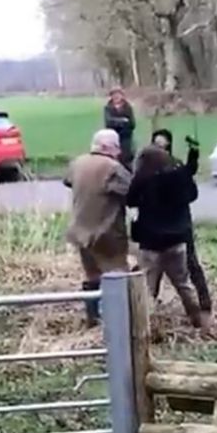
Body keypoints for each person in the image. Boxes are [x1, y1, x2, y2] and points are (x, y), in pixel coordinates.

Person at [127, 138, 207, 330]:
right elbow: (192, 194)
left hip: (151, 241)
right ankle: (198, 319)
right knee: (183, 284)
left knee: (148, 287)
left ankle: (143, 325)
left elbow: (130, 200)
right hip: (177, 239)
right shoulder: (178, 175)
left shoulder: (142, 178)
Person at [64, 129, 133, 327]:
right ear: (106, 147)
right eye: (116, 147)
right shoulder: (112, 167)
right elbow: (131, 192)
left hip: (80, 232)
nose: (119, 152)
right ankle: (117, 324)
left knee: (92, 277)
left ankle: (92, 319)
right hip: (107, 234)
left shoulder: (77, 163)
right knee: (117, 277)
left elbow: (68, 181)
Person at [149, 128, 213, 314]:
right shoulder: (174, 168)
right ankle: (201, 304)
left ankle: (202, 303)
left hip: (163, 228)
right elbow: (191, 191)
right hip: (175, 226)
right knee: (180, 266)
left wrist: (193, 156)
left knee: (167, 267)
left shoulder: (148, 169)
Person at [103, 87, 136, 168]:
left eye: (118, 94)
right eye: (114, 95)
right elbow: (108, 122)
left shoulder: (128, 107)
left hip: (126, 137)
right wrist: (123, 121)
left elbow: (132, 124)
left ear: (122, 96)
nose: (116, 97)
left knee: (126, 159)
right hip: (112, 138)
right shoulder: (108, 108)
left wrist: (117, 122)